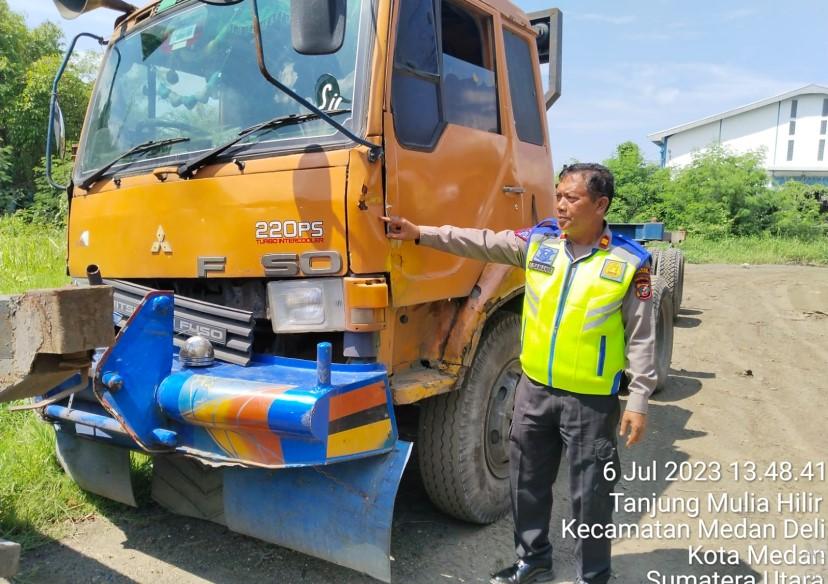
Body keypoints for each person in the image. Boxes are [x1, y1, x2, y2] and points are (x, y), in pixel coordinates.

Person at [381, 163, 656, 584]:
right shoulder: (540, 243)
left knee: (592, 495)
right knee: (526, 483)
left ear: (600, 205)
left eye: (572, 198)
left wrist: (637, 400)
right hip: (533, 391)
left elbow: (641, 337)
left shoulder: (628, 262)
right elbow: (482, 242)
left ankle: (594, 574)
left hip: (590, 401)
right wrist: (420, 232)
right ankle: (534, 562)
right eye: (559, 196)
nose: (561, 206)